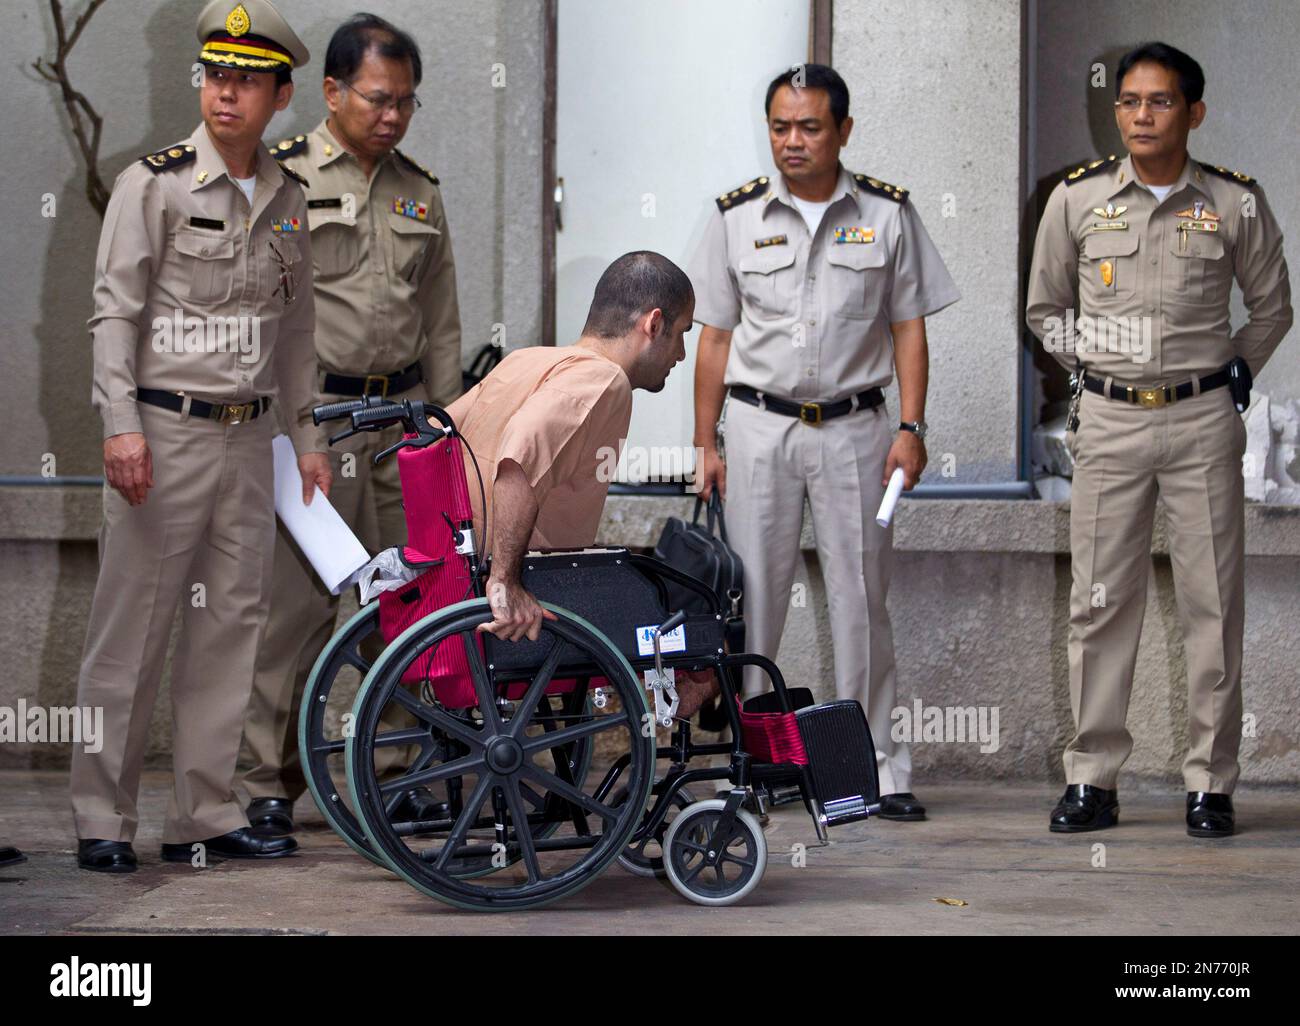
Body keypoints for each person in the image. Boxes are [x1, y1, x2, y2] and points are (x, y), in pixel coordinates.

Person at [70, 0, 330, 873]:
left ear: (281, 95)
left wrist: (311, 435)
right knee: (130, 633)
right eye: (217, 75)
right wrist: (119, 426)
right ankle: (102, 815)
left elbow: (296, 334)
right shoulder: (157, 183)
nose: (226, 94)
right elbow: (114, 314)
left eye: (247, 81)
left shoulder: (290, 198)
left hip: (251, 447)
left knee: (230, 630)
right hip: (164, 435)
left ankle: (205, 813)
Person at [1026, 42, 1292, 837]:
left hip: (1202, 423)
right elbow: (1045, 310)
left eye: (1160, 102)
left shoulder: (1235, 203)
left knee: (1213, 605)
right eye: (1130, 103)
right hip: (1108, 425)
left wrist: (1235, 371)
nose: (1141, 116)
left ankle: (1210, 784)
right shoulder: (1074, 202)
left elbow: (1273, 308)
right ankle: (1093, 779)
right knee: (1100, 604)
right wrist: (1097, 371)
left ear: (1194, 112)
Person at [688, 65, 960, 820]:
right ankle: (748, 766)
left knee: (861, 600)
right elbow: (714, 337)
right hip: (757, 428)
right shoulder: (736, 218)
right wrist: (703, 442)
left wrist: (912, 427)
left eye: (810, 127)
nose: (793, 141)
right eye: (780, 126)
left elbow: (910, 326)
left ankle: (875, 769)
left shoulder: (888, 214)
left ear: (843, 130)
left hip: (857, 432)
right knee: (755, 603)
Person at [241, 13, 462, 836]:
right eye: (377, 98)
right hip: (316, 429)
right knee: (300, 610)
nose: (393, 116)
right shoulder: (284, 179)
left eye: (406, 102)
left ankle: (398, 775)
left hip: (402, 425)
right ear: (332, 92)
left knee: (410, 604)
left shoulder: (421, 191)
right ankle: (268, 783)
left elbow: (441, 323)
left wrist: (442, 428)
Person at [446, 252, 696, 653]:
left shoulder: (527, 360)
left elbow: (439, 431)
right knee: (696, 634)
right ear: (654, 323)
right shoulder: (604, 380)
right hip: (536, 589)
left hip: (460, 577)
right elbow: (519, 463)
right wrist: (505, 582)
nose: (681, 354)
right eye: (682, 332)